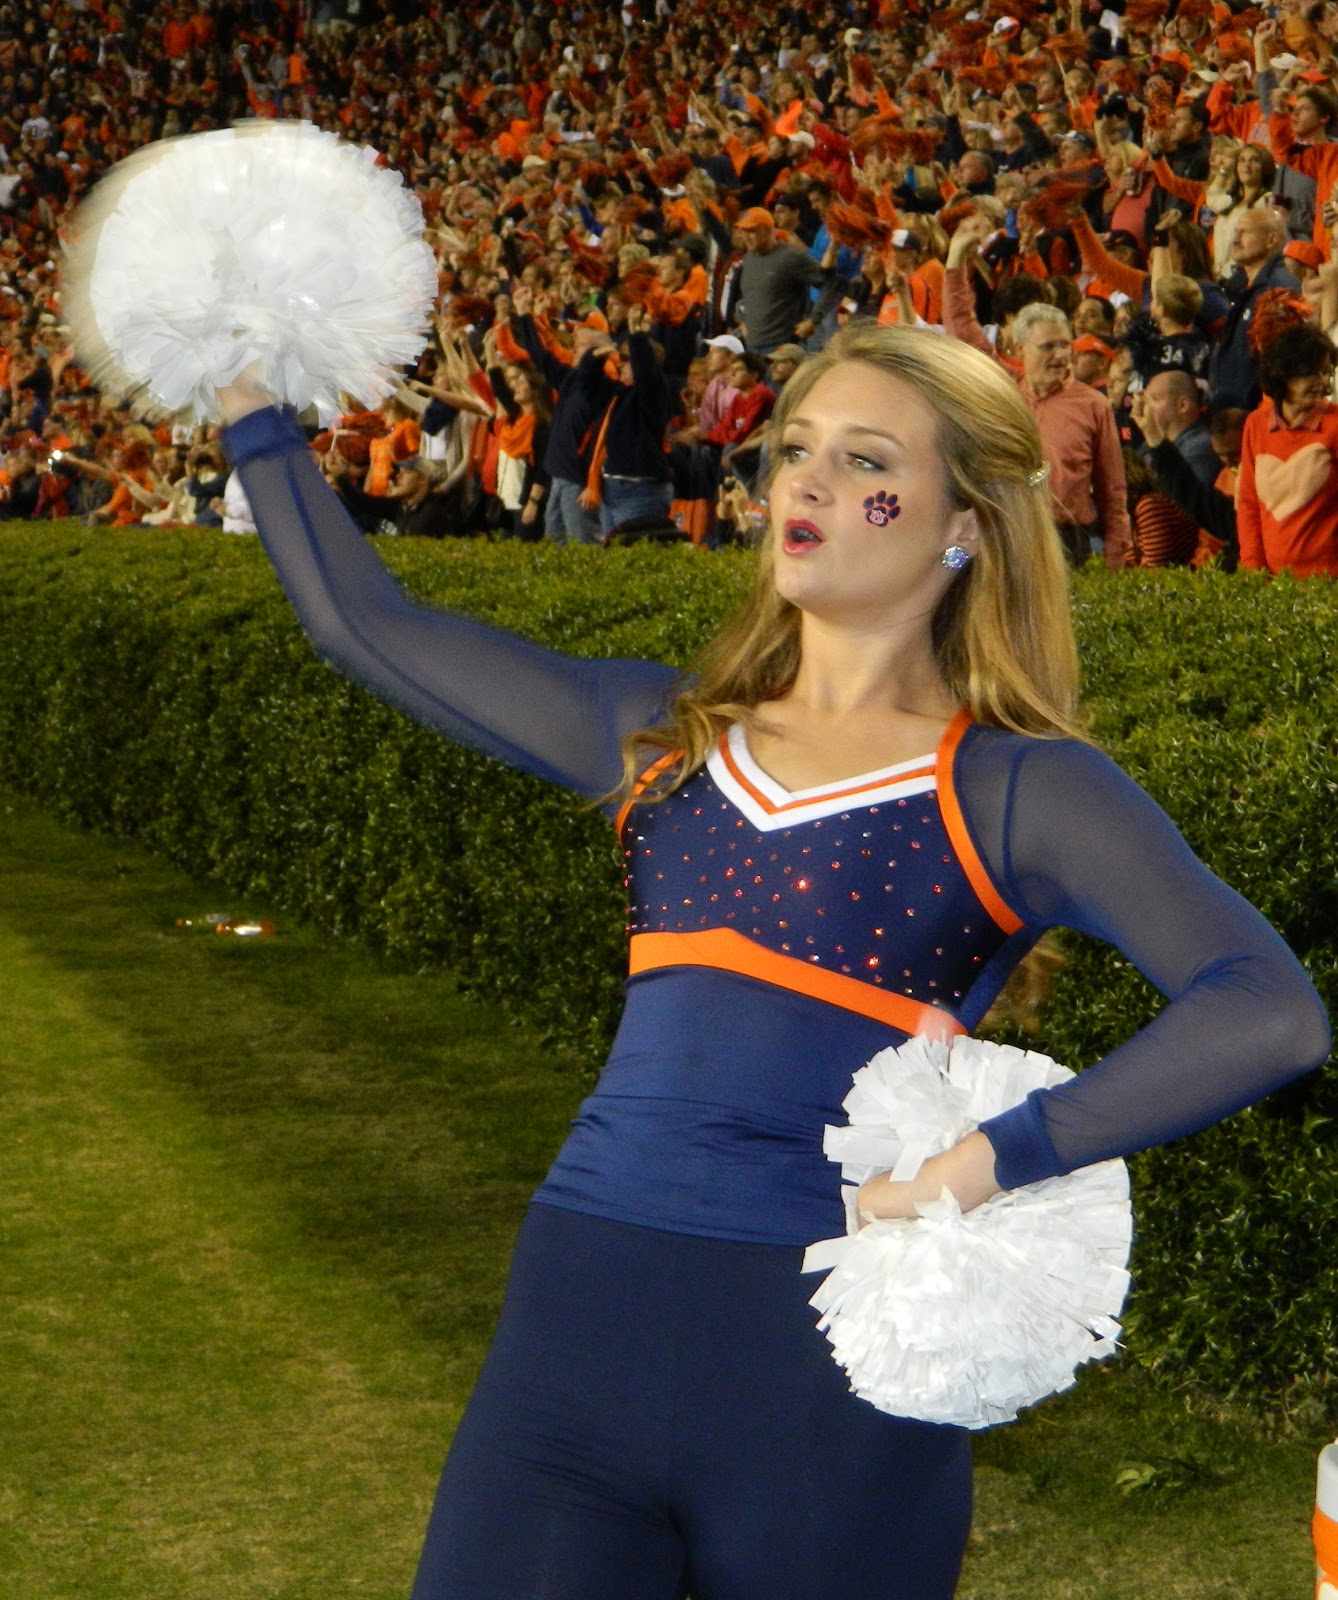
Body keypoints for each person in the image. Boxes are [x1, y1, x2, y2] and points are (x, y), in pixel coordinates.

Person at [214, 322, 1328, 1600]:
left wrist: (986, 1161)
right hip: (577, 1330)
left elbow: (1267, 1009)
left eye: (863, 462)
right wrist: (246, 392)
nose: (803, 482)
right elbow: (366, 623)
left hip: (830, 1384)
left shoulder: (1020, 787)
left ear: (964, 522)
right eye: (796, 450)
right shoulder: (657, 734)